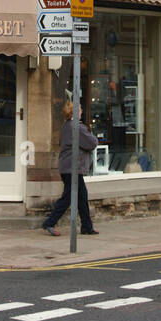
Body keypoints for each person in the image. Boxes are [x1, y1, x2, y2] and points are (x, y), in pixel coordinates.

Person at [42, 99, 99, 236]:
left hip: (68, 168)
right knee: (68, 198)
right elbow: (92, 143)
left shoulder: (66, 125)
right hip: (73, 168)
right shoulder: (77, 127)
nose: (81, 112)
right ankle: (49, 223)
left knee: (81, 197)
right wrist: (93, 136)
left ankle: (86, 226)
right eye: (79, 109)